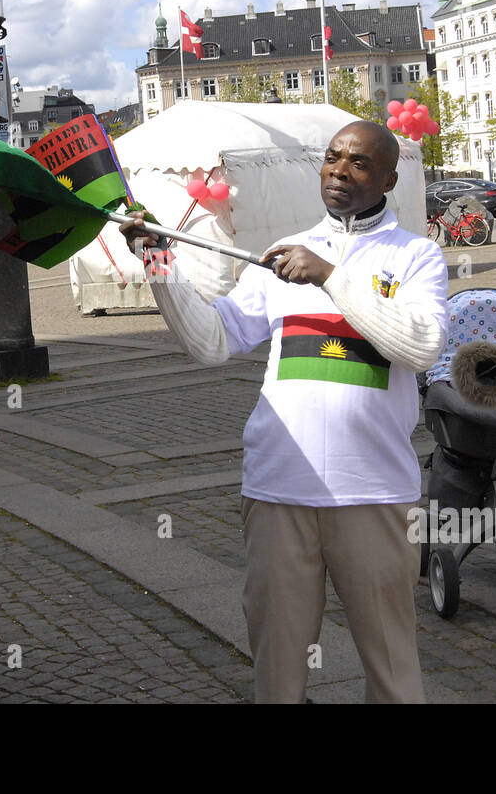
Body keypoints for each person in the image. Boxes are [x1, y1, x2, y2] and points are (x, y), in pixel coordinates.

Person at [120, 120, 448, 703]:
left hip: (371, 495)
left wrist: (330, 276)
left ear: (391, 179)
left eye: (359, 163)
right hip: (278, 491)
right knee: (277, 672)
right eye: (332, 157)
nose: (340, 170)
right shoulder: (281, 256)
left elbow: (419, 346)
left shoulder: (416, 255)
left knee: (393, 670)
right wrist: (159, 262)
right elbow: (212, 341)